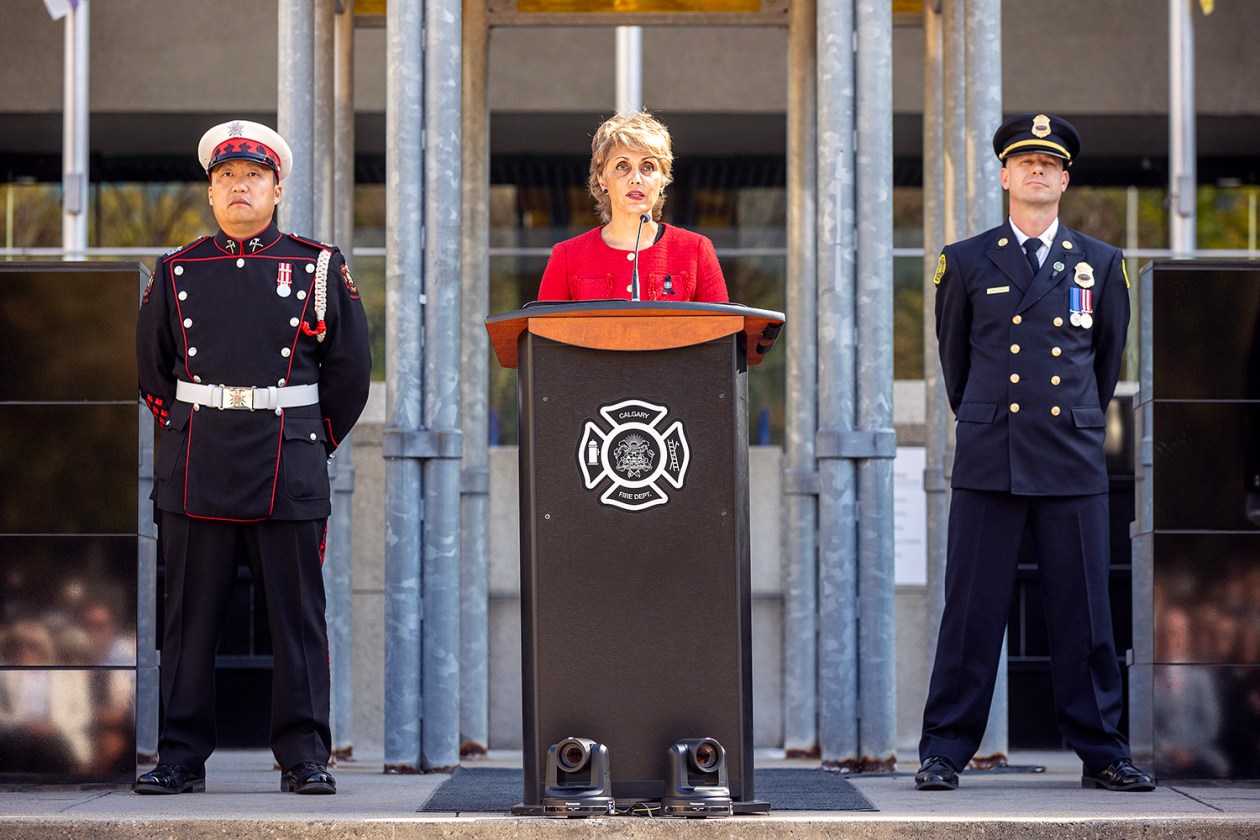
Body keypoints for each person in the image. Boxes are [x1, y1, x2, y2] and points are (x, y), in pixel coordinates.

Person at [917, 113, 1155, 793]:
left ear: (1065, 179)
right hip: (990, 454)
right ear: (1004, 175)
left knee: (1086, 613)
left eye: (1050, 164)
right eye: (1026, 162)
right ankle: (944, 750)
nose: (1038, 171)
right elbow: (956, 365)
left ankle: (1102, 752)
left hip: (1069, 458)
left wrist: (1069, 421)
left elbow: (1104, 365)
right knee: (971, 612)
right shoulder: (965, 260)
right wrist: (990, 417)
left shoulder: (1100, 263)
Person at [134, 120, 371, 795]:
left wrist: (308, 440)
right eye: (227, 177)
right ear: (211, 192)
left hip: (285, 463)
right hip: (198, 461)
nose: (240, 186)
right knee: (188, 622)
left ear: (276, 189)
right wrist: (188, 429)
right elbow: (152, 372)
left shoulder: (317, 265)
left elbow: (350, 371)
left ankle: (305, 758)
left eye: (254, 176)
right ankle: (180, 758)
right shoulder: (177, 269)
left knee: (297, 621)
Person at [537, 111, 728, 302]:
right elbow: (544, 321)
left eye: (648, 167)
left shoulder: (696, 250)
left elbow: (723, 321)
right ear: (602, 179)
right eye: (622, 166)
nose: (636, 179)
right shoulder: (567, 256)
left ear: (663, 180)